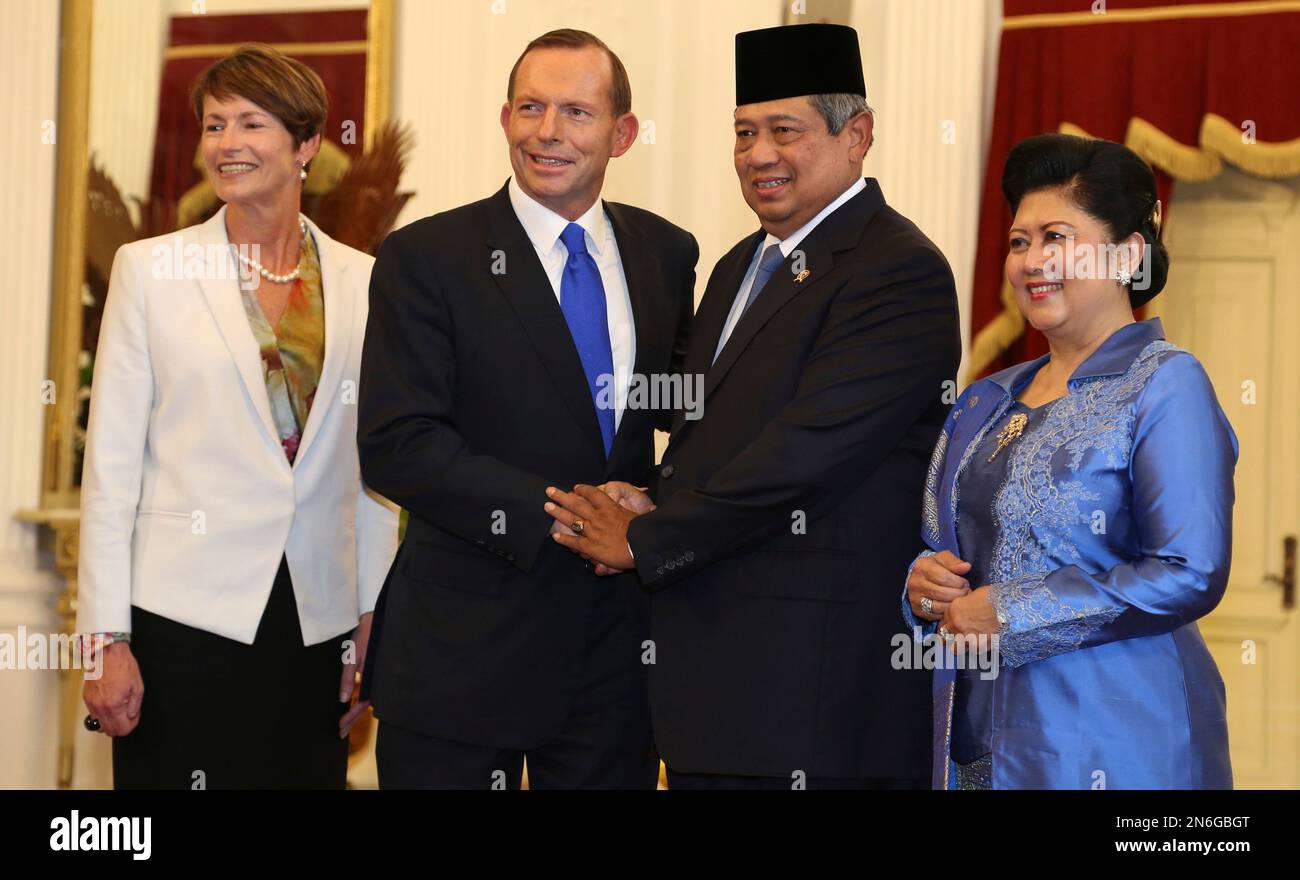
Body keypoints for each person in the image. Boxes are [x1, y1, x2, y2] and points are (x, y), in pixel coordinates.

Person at [543, 24, 960, 789]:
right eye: (744, 133)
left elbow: (806, 453)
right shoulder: (740, 263)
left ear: (856, 134)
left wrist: (647, 537)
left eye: (784, 132)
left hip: (817, 688)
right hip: (716, 686)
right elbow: (713, 428)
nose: (758, 154)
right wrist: (655, 490)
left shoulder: (899, 270)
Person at [356, 29, 697, 789]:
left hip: (615, 657)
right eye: (530, 108)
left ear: (623, 133)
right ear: (505, 117)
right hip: (460, 652)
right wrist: (567, 515)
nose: (548, 132)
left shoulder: (666, 253)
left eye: (576, 112)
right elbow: (396, 442)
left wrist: (658, 505)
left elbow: (689, 410)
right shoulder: (427, 258)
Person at [78, 44, 399, 789]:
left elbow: (375, 469)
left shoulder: (367, 282)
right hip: (180, 624)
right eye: (214, 125)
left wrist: (370, 626)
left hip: (313, 627)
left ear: (308, 144)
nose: (226, 144)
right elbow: (111, 472)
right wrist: (104, 642)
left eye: (251, 123)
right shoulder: (150, 271)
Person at [904, 133, 1236, 789]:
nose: (1031, 259)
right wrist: (921, 586)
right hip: (976, 740)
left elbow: (1190, 571)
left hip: (1118, 735)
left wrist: (1012, 612)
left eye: (1056, 236)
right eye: (1020, 241)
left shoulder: (1164, 383)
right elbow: (939, 551)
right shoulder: (985, 399)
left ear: (1128, 254)